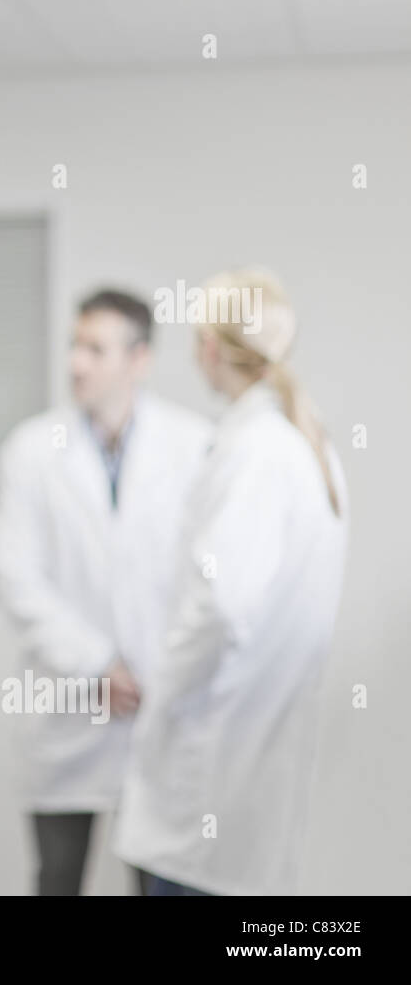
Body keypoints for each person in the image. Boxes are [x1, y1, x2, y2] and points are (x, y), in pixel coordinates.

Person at [113, 268, 348, 896]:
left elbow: (219, 605)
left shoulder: (258, 452)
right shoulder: (302, 442)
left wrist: (163, 693)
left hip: (209, 771)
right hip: (243, 768)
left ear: (211, 349)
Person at [0, 288, 210, 895]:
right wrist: (96, 663)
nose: (77, 363)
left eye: (96, 349)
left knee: (162, 879)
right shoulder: (31, 450)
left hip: (159, 701)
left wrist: (158, 669)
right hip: (68, 706)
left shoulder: (193, 447)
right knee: (58, 879)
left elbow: (206, 579)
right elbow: (15, 576)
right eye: (74, 346)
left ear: (139, 359)